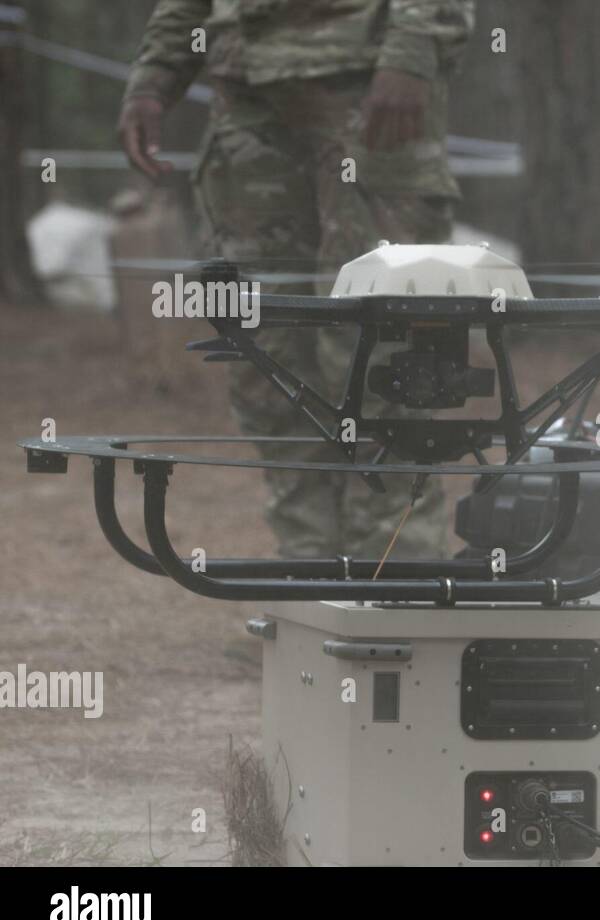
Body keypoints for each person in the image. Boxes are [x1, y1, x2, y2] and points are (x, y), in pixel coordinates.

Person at [118, 0, 474, 560]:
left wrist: (413, 47)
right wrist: (154, 76)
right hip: (246, 98)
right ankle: (304, 577)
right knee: (265, 350)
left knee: (382, 348)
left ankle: (395, 578)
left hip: (363, 82)